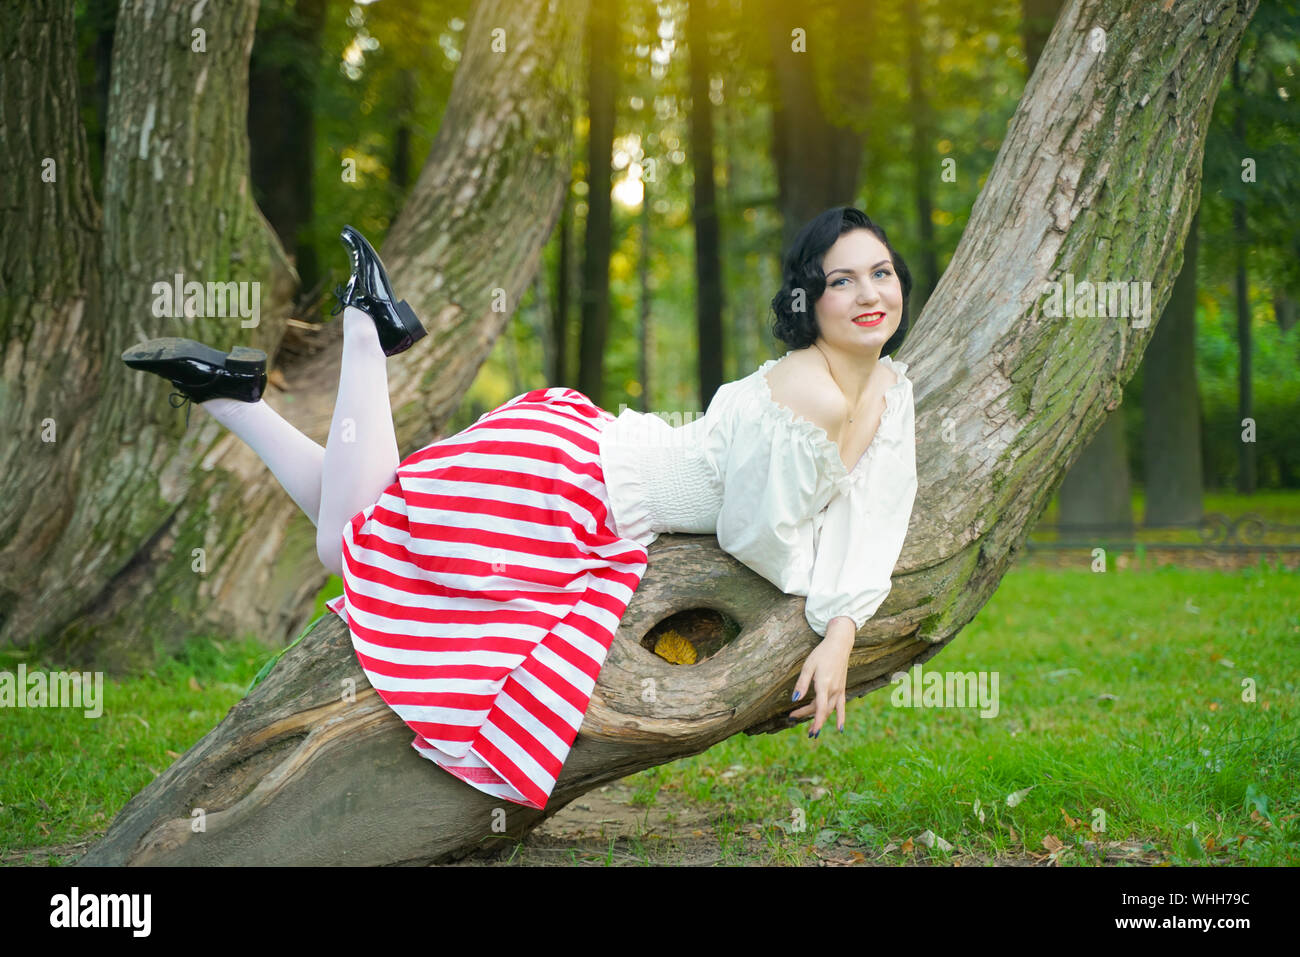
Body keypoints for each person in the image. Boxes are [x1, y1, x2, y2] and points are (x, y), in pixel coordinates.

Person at [120, 205, 917, 811]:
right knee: (352, 541)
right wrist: (833, 602)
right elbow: (759, 536)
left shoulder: (887, 383)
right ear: (809, 300)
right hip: (566, 484)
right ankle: (363, 327)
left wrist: (844, 624)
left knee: (357, 533)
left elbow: (877, 511)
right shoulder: (813, 392)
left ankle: (230, 397)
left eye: (880, 272)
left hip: (581, 474)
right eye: (841, 280)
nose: (868, 294)